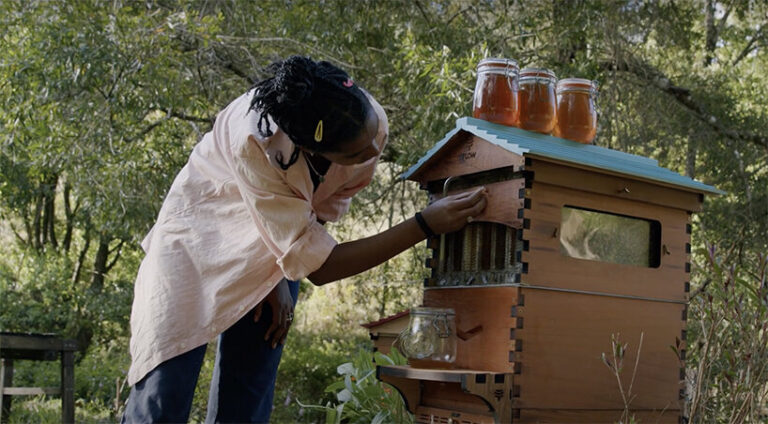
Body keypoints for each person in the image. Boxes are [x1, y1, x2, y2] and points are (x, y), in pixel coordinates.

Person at [122, 55, 486, 423]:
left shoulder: (363, 119)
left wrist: (279, 273)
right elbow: (321, 267)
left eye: (372, 136)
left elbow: (311, 224)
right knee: (163, 393)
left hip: (279, 245)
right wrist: (423, 225)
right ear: (311, 148)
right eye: (356, 154)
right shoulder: (252, 140)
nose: (374, 153)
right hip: (196, 247)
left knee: (247, 394)